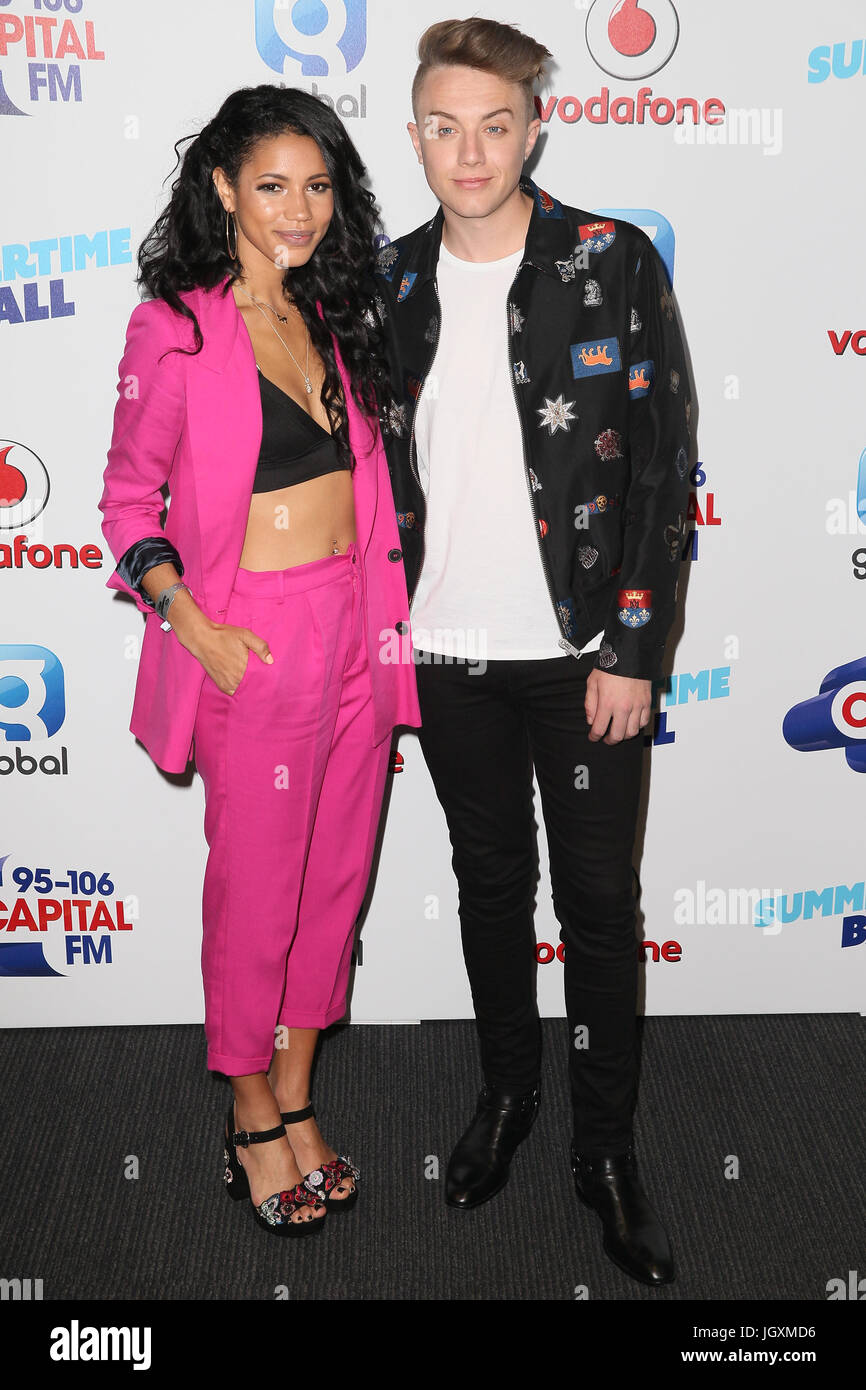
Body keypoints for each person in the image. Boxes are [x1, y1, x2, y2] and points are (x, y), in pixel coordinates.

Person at [375, 18, 692, 1285]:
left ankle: (602, 1151)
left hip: (581, 658)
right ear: (413, 134)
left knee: (599, 907)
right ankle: (508, 1098)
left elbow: (663, 459)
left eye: (494, 124)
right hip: (443, 653)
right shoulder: (386, 282)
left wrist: (631, 639)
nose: (469, 150)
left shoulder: (607, 260)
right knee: (490, 887)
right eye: (443, 125)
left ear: (534, 128)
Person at [98, 85, 420, 1237]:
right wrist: (191, 622)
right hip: (255, 641)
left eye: (319, 185)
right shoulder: (175, 327)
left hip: (356, 628)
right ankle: (246, 1105)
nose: (299, 209)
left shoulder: (340, 316)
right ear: (225, 187)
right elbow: (128, 502)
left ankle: (296, 1092)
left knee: (334, 882)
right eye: (273, 184)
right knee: (256, 894)